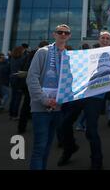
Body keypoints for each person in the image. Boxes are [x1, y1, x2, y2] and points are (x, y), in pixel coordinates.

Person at [58, 31, 110, 170]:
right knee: (64, 124)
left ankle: (97, 161)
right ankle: (70, 148)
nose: (105, 40)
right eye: (103, 38)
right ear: (99, 39)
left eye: (107, 38)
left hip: (96, 97)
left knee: (91, 130)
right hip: (81, 94)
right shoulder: (90, 53)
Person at [26, 24, 71, 170]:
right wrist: (44, 100)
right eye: (60, 32)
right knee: (39, 147)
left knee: (47, 148)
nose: (63, 34)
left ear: (69, 36)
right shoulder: (43, 52)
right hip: (41, 108)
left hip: (57, 108)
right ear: (54, 34)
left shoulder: (68, 55)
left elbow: (70, 81)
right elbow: (32, 78)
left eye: (66, 33)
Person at [17, 40, 49, 134]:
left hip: (27, 82)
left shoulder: (29, 54)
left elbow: (22, 67)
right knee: (40, 106)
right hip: (37, 83)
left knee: (26, 105)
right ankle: (40, 127)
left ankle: (21, 127)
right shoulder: (42, 55)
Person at [9, 46, 26, 120]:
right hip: (19, 79)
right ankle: (15, 115)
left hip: (12, 79)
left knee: (13, 98)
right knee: (17, 99)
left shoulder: (12, 58)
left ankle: (11, 114)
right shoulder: (22, 59)